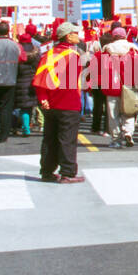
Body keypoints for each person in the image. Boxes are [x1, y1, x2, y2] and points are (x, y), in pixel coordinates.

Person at [34, 22, 87, 183]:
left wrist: (43, 98)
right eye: (75, 33)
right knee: (67, 140)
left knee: (49, 139)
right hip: (69, 104)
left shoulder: (48, 55)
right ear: (68, 36)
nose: (78, 36)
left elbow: (39, 79)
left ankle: (47, 172)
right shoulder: (73, 56)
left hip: (49, 104)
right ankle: (67, 173)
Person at [99, 26, 138, 148]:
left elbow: (99, 68)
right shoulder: (134, 50)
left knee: (113, 115)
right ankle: (128, 132)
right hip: (130, 85)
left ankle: (116, 139)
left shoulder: (106, 50)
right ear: (125, 36)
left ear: (113, 36)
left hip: (111, 85)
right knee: (129, 111)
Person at [13, 24, 42, 137]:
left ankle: (18, 126)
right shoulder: (36, 52)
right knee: (28, 107)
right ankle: (27, 126)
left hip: (19, 80)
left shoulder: (17, 52)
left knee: (17, 106)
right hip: (32, 81)